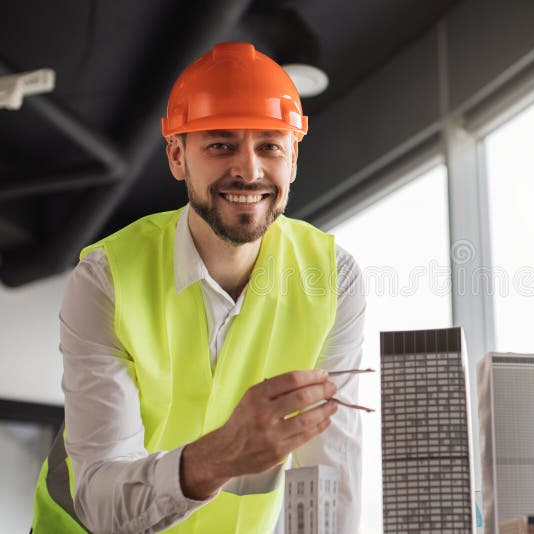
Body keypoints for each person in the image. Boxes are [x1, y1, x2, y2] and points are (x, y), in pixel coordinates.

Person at [31, 42, 365, 533]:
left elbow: (330, 469)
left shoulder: (334, 278)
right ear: (177, 155)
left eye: (270, 145)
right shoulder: (105, 278)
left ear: (292, 159)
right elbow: (101, 503)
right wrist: (216, 459)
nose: (249, 170)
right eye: (220, 144)